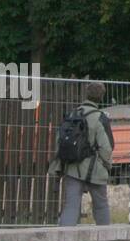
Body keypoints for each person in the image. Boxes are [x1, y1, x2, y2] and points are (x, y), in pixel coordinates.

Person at [48, 81, 114, 226]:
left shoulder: (73, 113)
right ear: (102, 97)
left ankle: (64, 240)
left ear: (86, 94)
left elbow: (60, 140)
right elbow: (106, 148)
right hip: (95, 169)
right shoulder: (100, 118)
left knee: (71, 205)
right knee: (101, 206)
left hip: (72, 167)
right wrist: (107, 165)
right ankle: (105, 240)